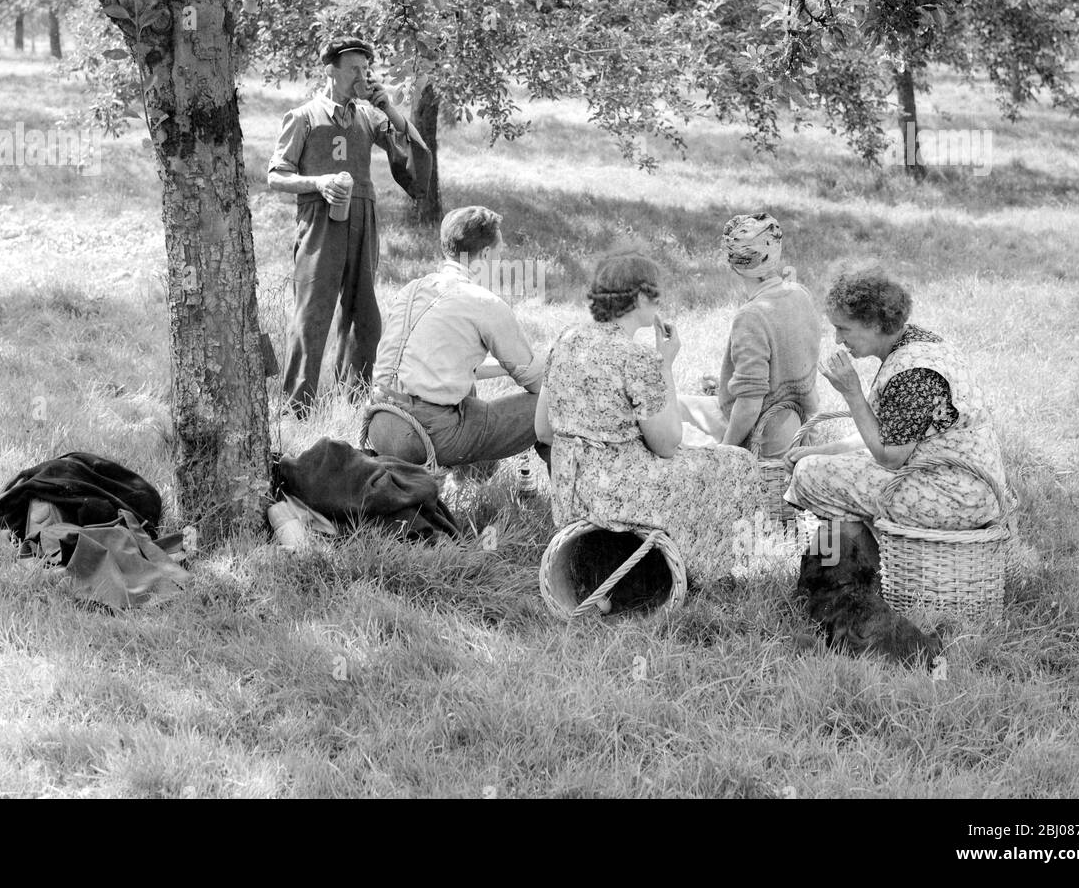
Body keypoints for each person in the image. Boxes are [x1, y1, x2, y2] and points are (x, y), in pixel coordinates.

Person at [535, 252, 766, 586]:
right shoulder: (638, 358)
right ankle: (710, 571)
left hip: (569, 489)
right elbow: (667, 444)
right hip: (618, 492)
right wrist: (665, 366)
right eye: (655, 295)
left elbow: (543, 430)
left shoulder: (566, 340)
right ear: (641, 297)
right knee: (736, 463)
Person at [268, 36, 431, 414]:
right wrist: (318, 183)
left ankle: (354, 402)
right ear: (331, 69)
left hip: (363, 217)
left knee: (364, 315)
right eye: (354, 68)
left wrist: (388, 106)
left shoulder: (368, 116)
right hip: (320, 218)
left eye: (366, 68)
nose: (363, 75)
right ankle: (297, 407)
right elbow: (276, 176)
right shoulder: (304, 116)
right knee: (312, 313)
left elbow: (413, 147)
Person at [784, 265, 1012, 531]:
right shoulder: (918, 344)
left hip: (954, 498)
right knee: (817, 463)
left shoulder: (914, 375)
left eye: (843, 328)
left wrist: (852, 393)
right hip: (965, 486)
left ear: (874, 324)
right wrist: (819, 451)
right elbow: (889, 434)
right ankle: (859, 552)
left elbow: (890, 457)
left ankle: (857, 560)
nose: (837, 339)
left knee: (810, 474)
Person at [365, 206, 549, 469]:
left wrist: (505, 369)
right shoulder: (484, 303)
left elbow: (436, 368)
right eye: (499, 254)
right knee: (554, 402)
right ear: (485, 255)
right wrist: (553, 373)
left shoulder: (411, 290)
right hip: (425, 433)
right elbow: (538, 384)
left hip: (380, 422)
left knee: (470, 399)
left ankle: (464, 483)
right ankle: (570, 500)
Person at [679, 212, 822, 457]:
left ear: (734, 265)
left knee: (672, 408)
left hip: (764, 438)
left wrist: (727, 451)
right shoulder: (800, 294)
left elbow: (749, 405)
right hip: (800, 428)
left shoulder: (752, 317)